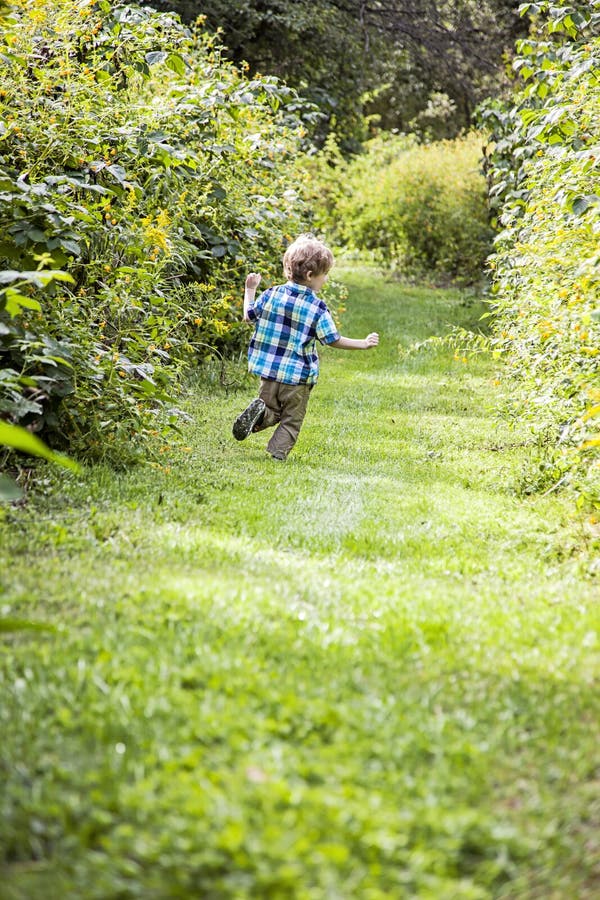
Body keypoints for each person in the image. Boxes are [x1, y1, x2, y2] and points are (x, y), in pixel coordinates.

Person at [232, 233, 379, 460]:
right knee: (291, 419)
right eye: (324, 274)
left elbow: (248, 316)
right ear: (310, 275)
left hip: (268, 374)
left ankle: (260, 415)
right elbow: (332, 339)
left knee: (271, 410)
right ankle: (277, 454)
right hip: (297, 378)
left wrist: (250, 289)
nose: (326, 279)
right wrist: (363, 344)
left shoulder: (271, 294)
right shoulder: (316, 307)